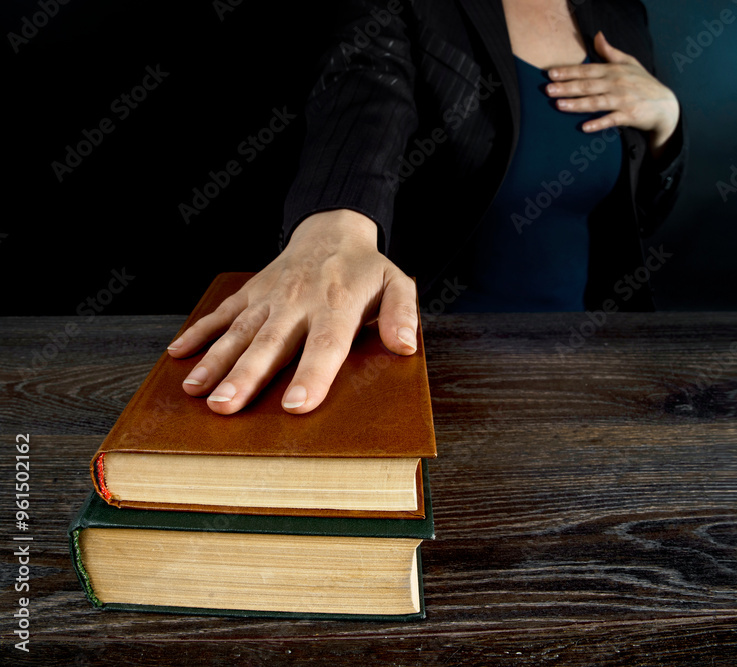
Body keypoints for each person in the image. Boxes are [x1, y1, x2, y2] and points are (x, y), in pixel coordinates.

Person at [166, 0, 685, 415]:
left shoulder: (621, 13)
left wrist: (667, 124)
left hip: (592, 373)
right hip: (427, 372)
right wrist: (333, 234)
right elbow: (363, 100)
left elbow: (635, 225)